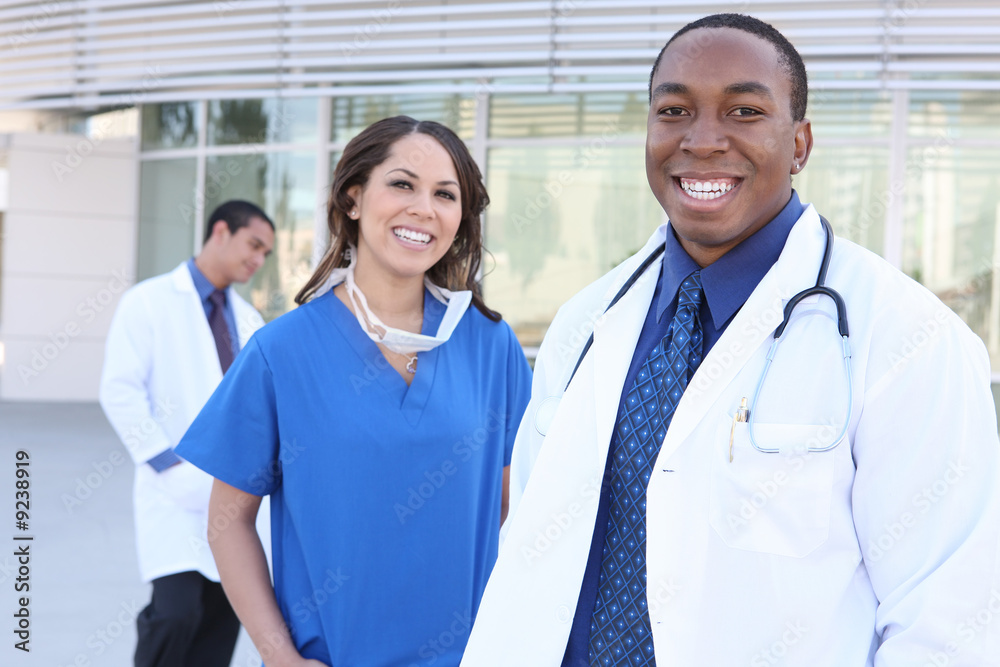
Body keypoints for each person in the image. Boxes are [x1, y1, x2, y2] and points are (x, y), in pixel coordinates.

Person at [460, 13, 1000, 667]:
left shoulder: (908, 336)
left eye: (744, 110)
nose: (704, 139)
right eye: (675, 110)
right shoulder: (585, 321)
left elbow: (948, 616)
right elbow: (530, 552)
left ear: (799, 143)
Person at [174, 116, 532, 667]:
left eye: (445, 194)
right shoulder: (282, 352)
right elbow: (228, 521)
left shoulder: (491, 346)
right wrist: (279, 656)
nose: (423, 208)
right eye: (403, 184)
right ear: (354, 198)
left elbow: (519, 508)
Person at [99, 200, 275, 666]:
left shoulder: (249, 320)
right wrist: (165, 462)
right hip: (173, 491)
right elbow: (119, 389)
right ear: (221, 232)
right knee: (175, 613)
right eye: (254, 245)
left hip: (234, 496)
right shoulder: (148, 301)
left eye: (266, 254)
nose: (258, 260)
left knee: (221, 620)